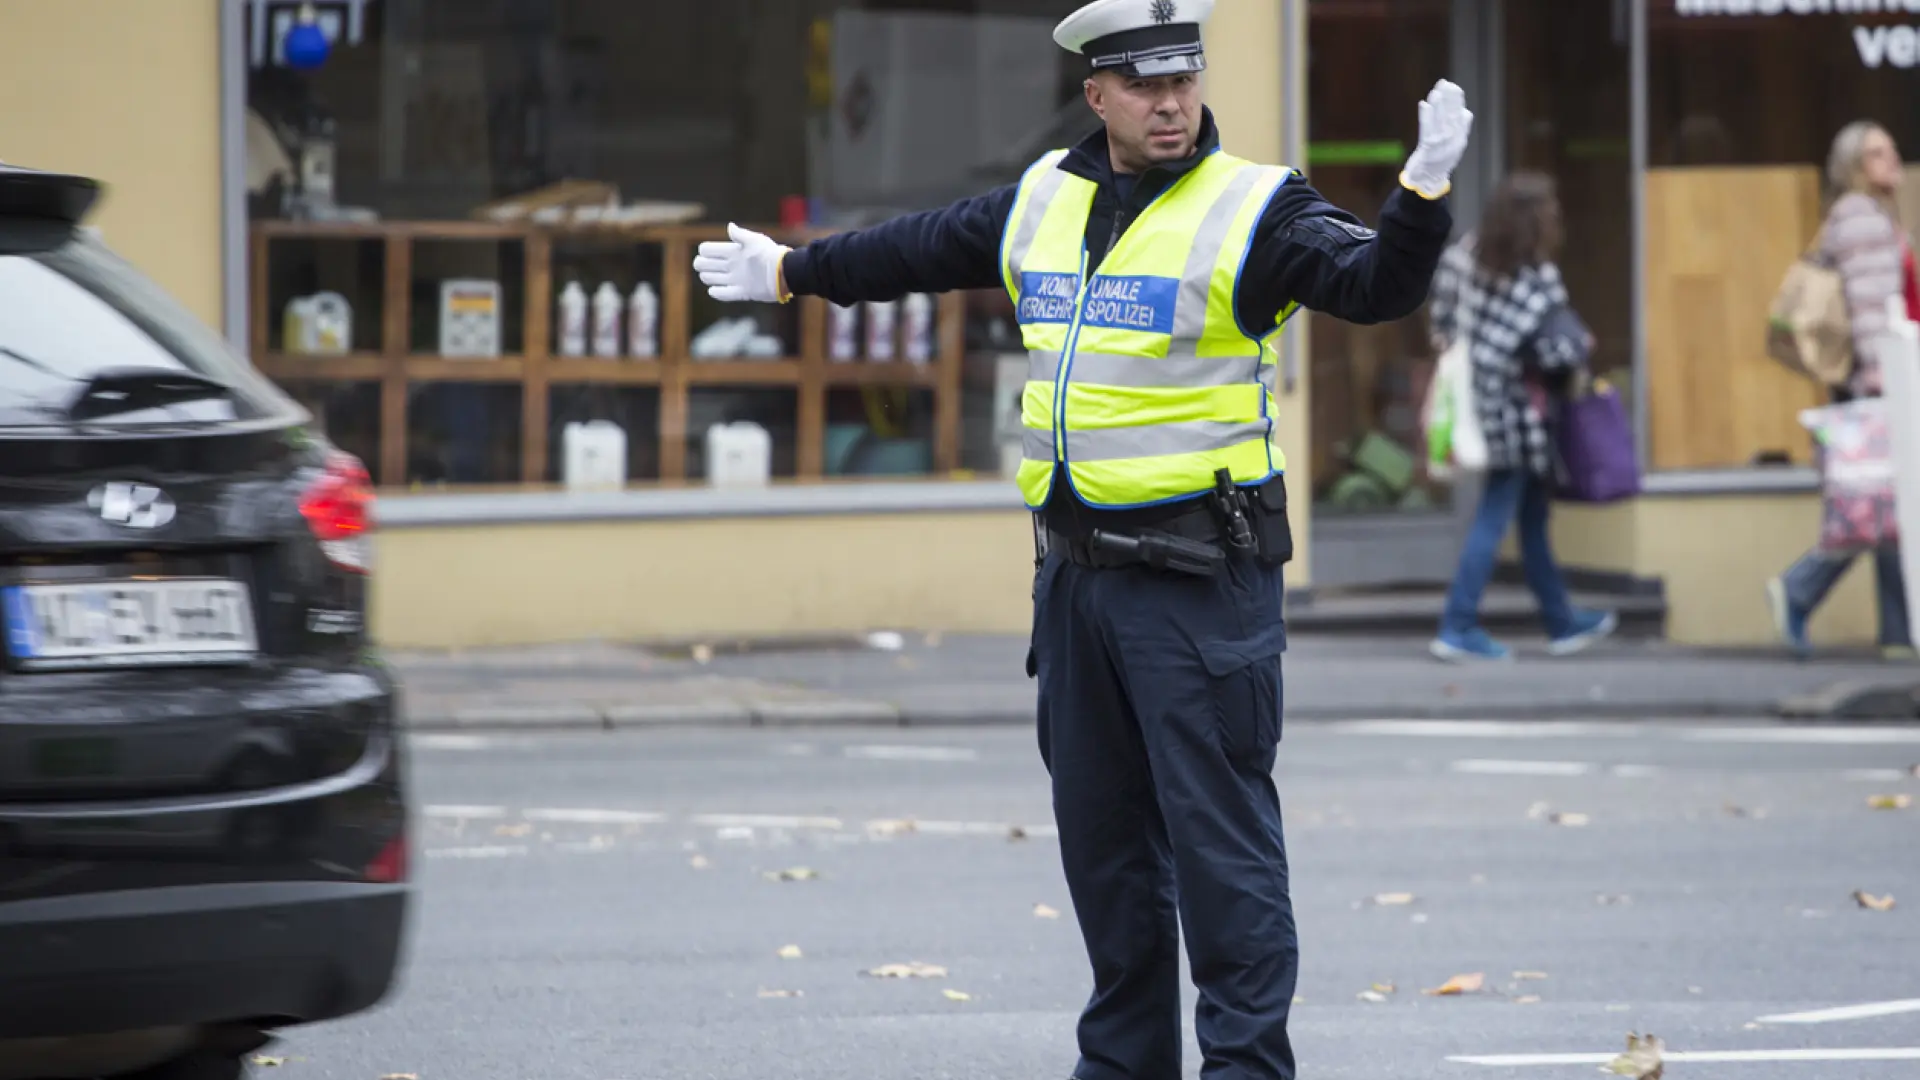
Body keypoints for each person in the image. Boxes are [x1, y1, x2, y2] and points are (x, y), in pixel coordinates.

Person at [694, 2, 1471, 1075]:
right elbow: (921, 246)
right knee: (1108, 859)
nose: (1171, 104)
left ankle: (1246, 1068)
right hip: (1077, 586)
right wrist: (794, 273)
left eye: (1184, 82)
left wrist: (1422, 193)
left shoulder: (1256, 209)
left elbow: (1377, 285)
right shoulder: (1043, 205)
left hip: (1202, 582)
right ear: (1096, 94)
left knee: (1220, 856)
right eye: (1145, 87)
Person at [1425, 172, 1618, 662]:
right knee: (1496, 512)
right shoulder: (1538, 279)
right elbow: (1561, 351)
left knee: (1532, 516)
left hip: (1476, 400)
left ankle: (1561, 622)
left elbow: (1440, 326)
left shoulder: (1459, 258)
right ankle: (1458, 624)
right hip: (1520, 410)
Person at [1767, 120, 1916, 661]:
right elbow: (1872, 304)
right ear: (1855, 166)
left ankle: (1900, 633)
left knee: (1887, 504)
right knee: (1878, 504)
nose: (1892, 159)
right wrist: (1885, 381)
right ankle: (1801, 587)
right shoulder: (1861, 220)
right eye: (1878, 153)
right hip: (1878, 379)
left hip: (1877, 378)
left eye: (1892, 149)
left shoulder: (1870, 215)